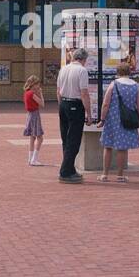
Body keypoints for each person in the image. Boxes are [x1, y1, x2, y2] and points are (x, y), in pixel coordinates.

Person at [98, 62, 139, 182]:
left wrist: (102, 119)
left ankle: (105, 174)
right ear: (129, 73)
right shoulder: (136, 86)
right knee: (123, 148)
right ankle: (120, 175)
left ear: (118, 73)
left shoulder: (113, 85)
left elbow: (105, 104)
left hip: (112, 120)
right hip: (127, 121)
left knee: (108, 146)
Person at [57, 47, 92, 183]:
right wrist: (89, 114)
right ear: (83, 59)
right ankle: (65, 171)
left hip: (64, 103)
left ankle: (70, 168)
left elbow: (58, 90)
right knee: (74, 139)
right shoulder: (82, 71)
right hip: (75, 105)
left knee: (65, 138)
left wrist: (61, 105)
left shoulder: (64, 69)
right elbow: (84, 93)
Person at [22, 75, 45, 166]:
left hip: (29, 115)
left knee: (32, 137)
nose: (38, 86)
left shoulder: (26, 93)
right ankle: (34, 159)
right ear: (33, 84)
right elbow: (42, 104)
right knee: (40, 137)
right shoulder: (32, 94)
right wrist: (40, 94)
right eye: (37, 84)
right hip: (35, 115)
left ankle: (30, 158)